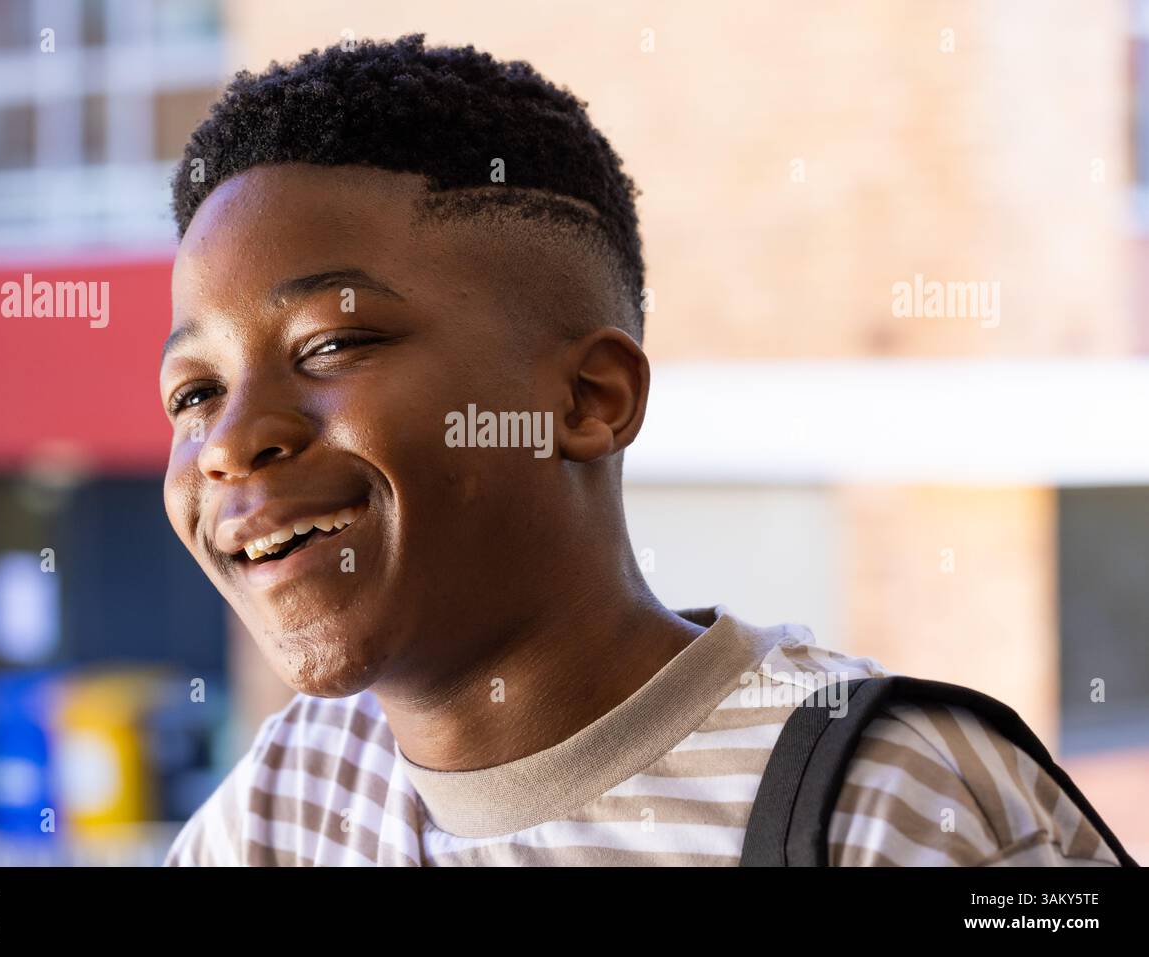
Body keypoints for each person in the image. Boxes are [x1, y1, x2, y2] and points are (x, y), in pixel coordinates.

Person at [157, 34, 1120, 866]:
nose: (230, 443)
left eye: (332, 344)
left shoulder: (878, 796)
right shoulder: (284, 806)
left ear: (588, 399)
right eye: (194, 391)